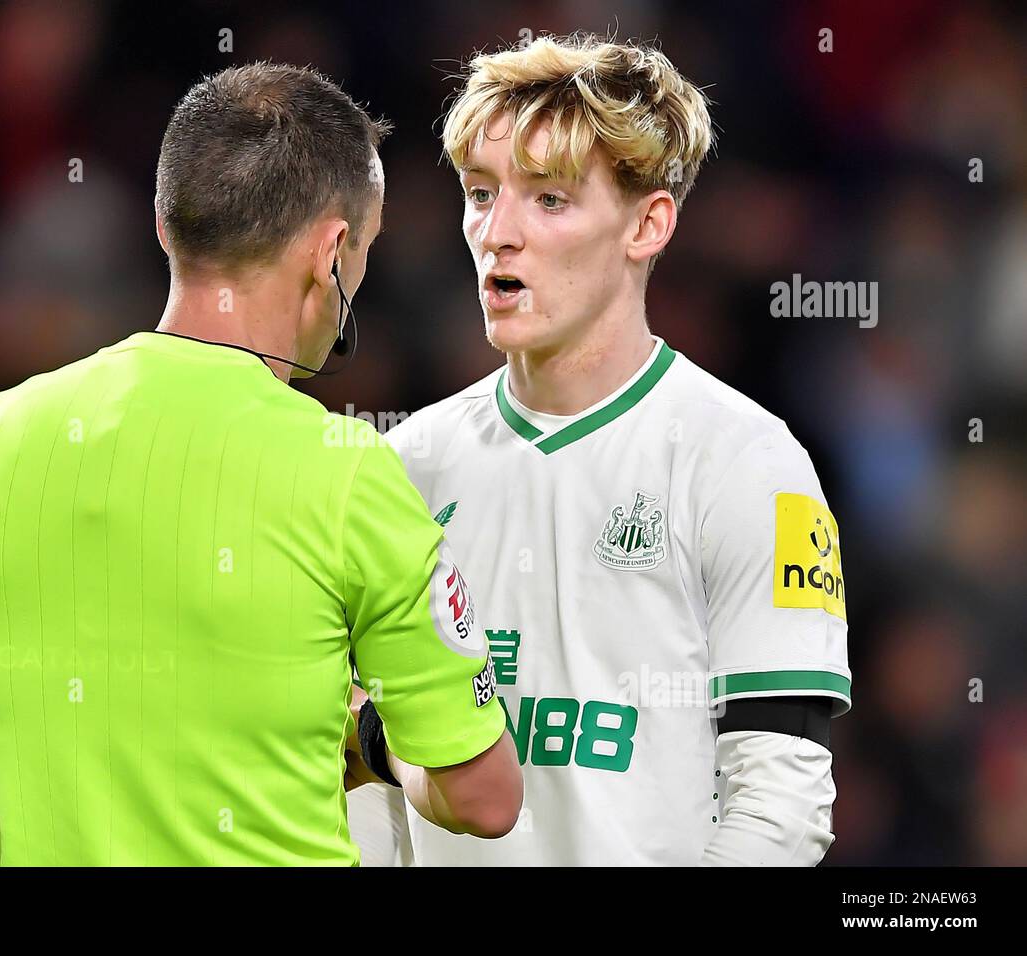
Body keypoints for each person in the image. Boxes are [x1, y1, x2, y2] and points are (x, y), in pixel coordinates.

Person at [0, 62, 521, 867]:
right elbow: (484, 798)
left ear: (167, 227)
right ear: (332, 253)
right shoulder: (348, 474)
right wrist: (371, 737)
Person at [348, 34, 849, 866]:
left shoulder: (748, 464)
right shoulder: (405, 466)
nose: (497, 232)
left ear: (648, 225)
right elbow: (371, 778)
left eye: (548, 199)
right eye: (480, 194)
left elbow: (781, 799)